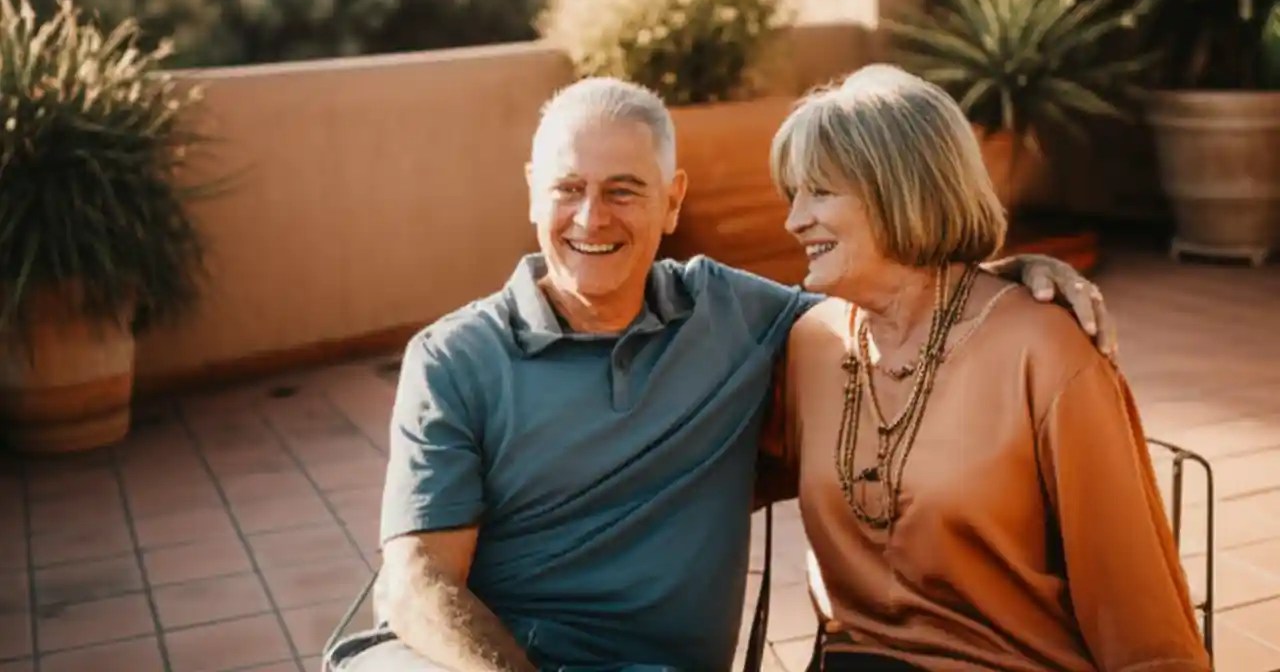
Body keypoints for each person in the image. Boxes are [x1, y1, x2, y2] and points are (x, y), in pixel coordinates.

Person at [330, 77, 1113, 672]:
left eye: (623, 191)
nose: (592, 219)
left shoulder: (736, 314)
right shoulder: (453, 357)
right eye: (568, 189)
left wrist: (998, 274)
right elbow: (417, 583)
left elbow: (894, 296)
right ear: (533, 190)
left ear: (672, 202)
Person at [765, 65, 1209, 672]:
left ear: (903, 191)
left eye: (819, 191)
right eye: (792, 195)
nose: (793, 220)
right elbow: (704, 473)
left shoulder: (1044, 349)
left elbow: (1139, 612)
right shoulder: (810, 344)